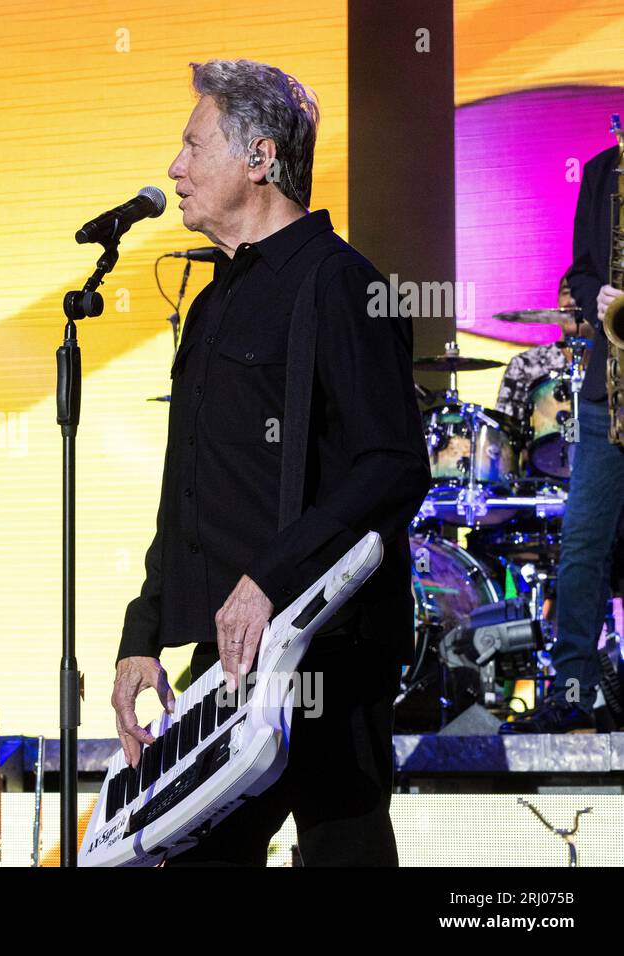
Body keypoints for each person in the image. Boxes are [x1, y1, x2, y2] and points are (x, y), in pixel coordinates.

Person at [109, 59, 431, 866]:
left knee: (343, 849)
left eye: (192, 146)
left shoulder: (342, 284)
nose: (175, 169)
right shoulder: (212, 301)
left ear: (258, 158)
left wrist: (271, 579)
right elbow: (184, 492)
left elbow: (391, 463)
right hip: (228, 658)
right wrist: (142, 631)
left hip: (327, 644)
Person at [502, 133, 624, 733]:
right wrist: (595, 295)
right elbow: (578, 271)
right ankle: (571, 693)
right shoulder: (604, 170)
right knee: (582, 548)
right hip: (610, 389)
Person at [493, 273, 591, 421]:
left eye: (579, 294)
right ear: (557, 304)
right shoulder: (524, 365)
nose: (571, 301)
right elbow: (505, 434)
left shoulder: (612, 366)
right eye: (565, 293)